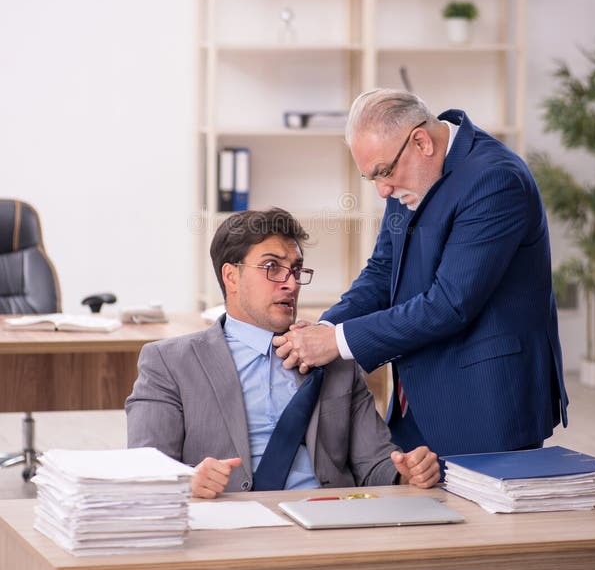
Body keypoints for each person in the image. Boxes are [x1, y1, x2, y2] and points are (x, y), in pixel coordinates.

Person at [273, 89, 569, 457]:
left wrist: (336, 342)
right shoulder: (408, 180)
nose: (382, 191)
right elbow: (383, 272)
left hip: (486, 403)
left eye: (384, 172)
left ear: (421, 142)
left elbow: (449, 304)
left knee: (480, 516)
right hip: (415, 400)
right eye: (371, 179)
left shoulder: (497, 181)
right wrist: (325, 329)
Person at [126, 207, 439, 497]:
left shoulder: (334, 360)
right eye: (272, 267)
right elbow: (145, 472)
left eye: (296, 269)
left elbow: (375, 464)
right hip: (231, 525)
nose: (290, 283)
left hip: (328, 522)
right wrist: (188, 480)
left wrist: (405, 473)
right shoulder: (169, 363)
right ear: (231, 276)